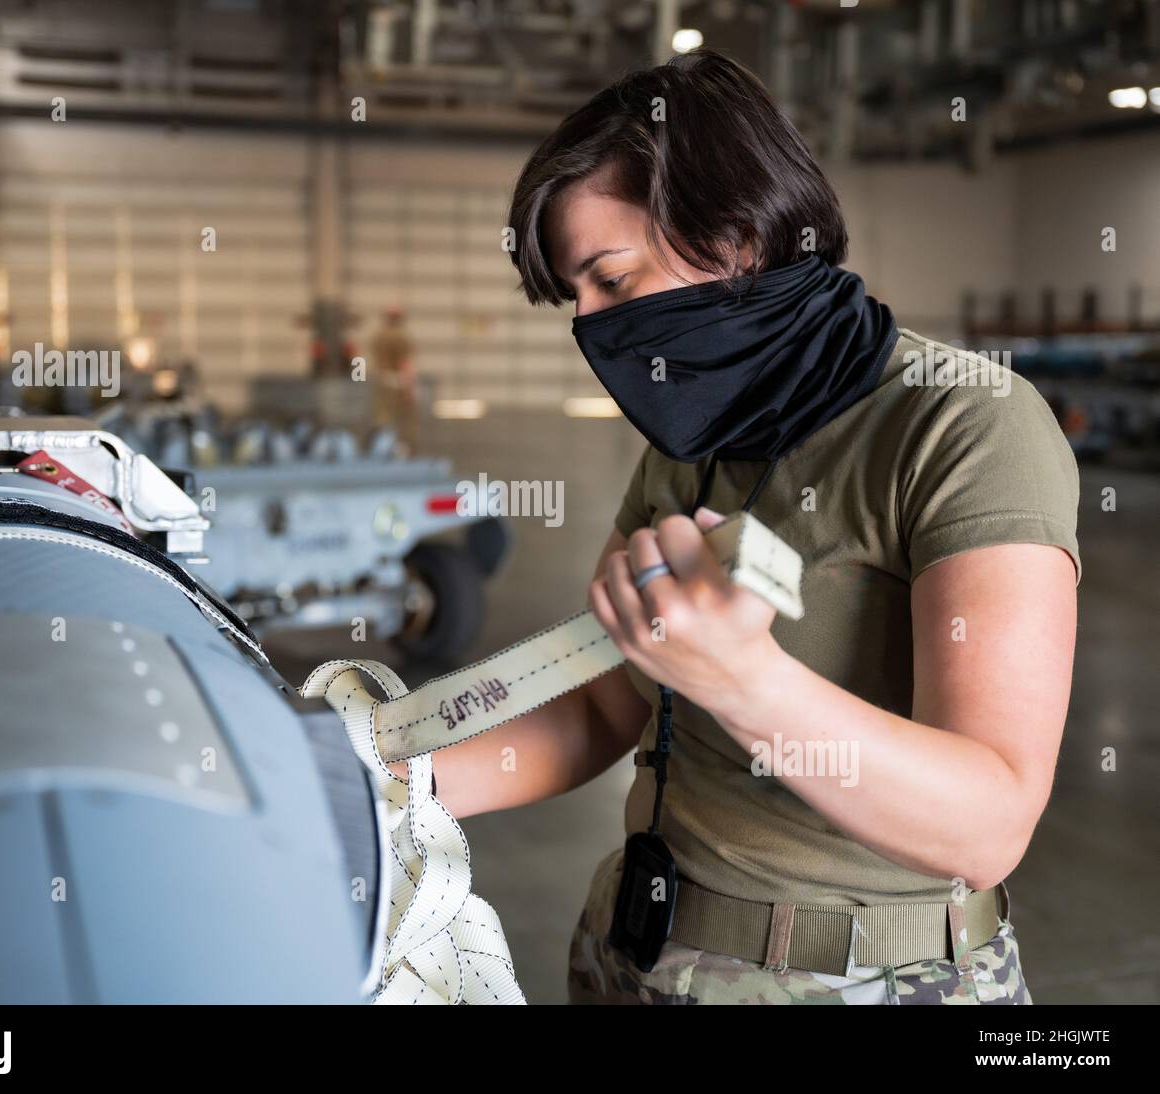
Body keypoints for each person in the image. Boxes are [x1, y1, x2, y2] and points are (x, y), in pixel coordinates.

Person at [425, 50, 1079, 1005]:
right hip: (640, 951)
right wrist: (386, 787)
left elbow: (989, 821)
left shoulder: (967, 423)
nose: (595, 329)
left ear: (734, 237)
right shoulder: (698, 429)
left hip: (859, 980)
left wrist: (747, 682)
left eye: (611, 280)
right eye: (578, 300)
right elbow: (607, 705)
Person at [368, 304, 418, 452]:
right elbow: (405, 364)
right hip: (398, 382)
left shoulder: (378, 336)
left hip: (380, 380)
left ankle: (381, 449)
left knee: (382, 417)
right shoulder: (401, 337)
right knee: (405, 420)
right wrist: (410, 389)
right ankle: (402, 450)